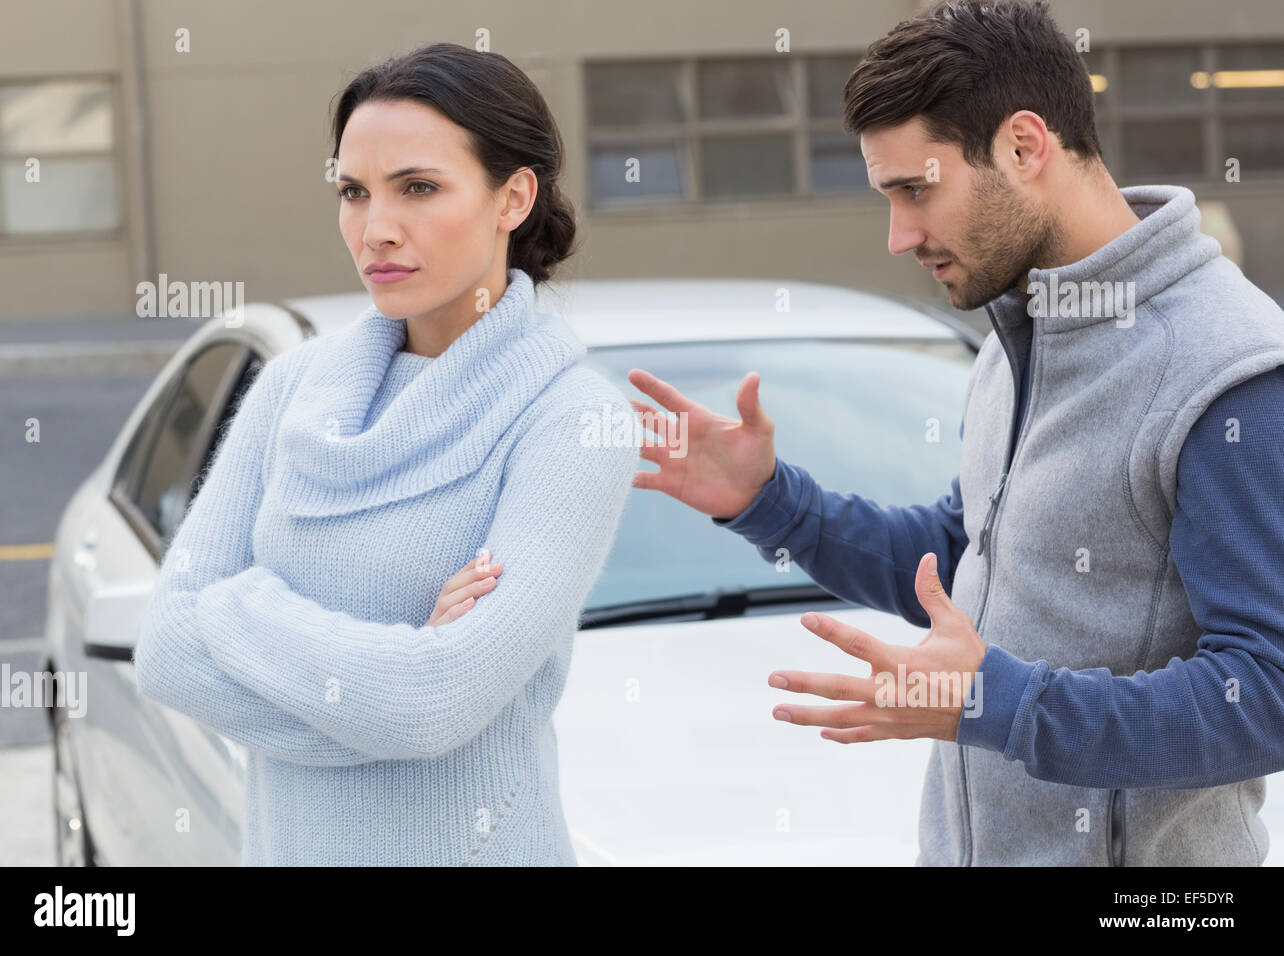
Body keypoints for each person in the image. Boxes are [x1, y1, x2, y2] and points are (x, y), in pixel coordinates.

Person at [628, 0, 1284, 866]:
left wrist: (998, 703)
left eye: (917, 189)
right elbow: (967, 559)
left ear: (1023, 146)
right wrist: (773, 505)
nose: (900, 236)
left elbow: (1265, 696)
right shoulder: (1022, 328)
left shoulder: (1226, 370)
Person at [135, 42, 639, 865]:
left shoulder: (572, 420)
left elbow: (433, 703)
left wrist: (242, 606)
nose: (377, 229)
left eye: (418, 188)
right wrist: (394, 683)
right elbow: (166, 655)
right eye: (353, 192)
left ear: (513, 196)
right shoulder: (294, 386)